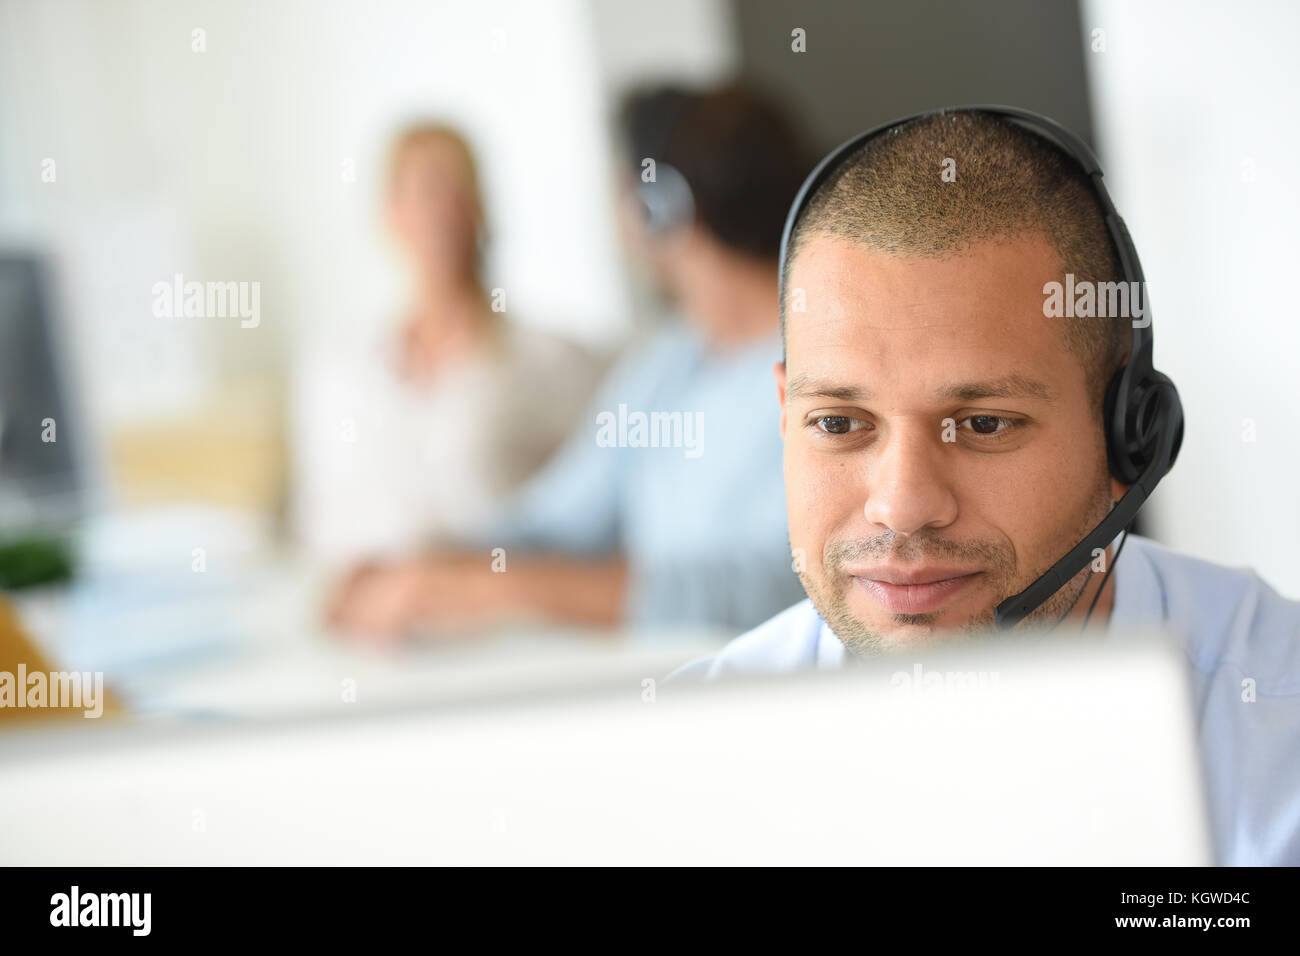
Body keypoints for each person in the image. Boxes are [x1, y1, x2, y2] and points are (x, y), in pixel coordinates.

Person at [673, 109, 1300, 866]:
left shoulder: (1279, 735)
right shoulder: (677, 764)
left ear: (1129, 433)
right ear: (783, 416)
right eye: (840, 424)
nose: (902, 505)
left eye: (985, 425)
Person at [326, 84, 812, 637]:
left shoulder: (822, 371)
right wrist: (423, 564)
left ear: (660, 205)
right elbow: (558, 519)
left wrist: (487, 591)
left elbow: (773, 585)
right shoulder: (671, 363)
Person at [295, 123, 600, 561]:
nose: (438, 211)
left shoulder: (553, 362)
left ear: (480, 208)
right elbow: (316, 521)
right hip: (364, 615)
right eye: (420, 191)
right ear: (389, 212)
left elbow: (593, 514)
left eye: (453, 190)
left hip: (507, 613)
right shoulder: (335, 371)